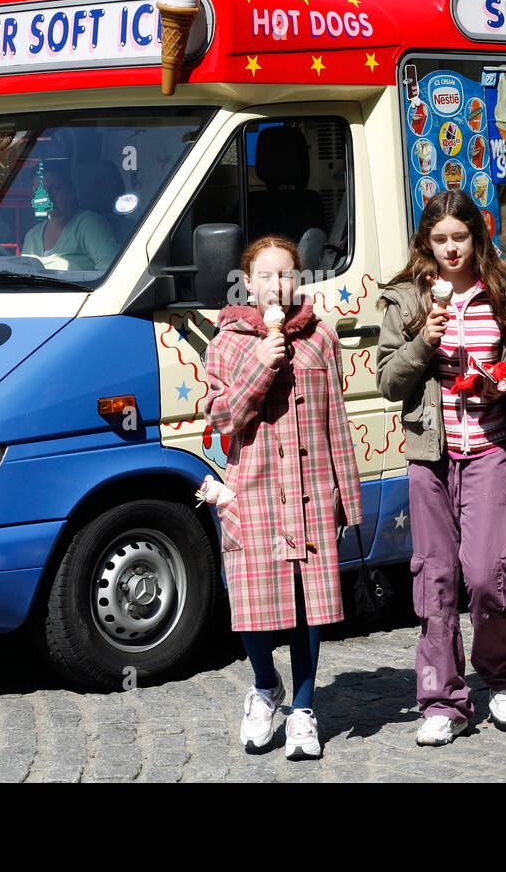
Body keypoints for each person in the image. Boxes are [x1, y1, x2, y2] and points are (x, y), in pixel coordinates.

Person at [375, 190, 506, 746]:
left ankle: (502, 677)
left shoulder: (503, 294)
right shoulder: (406, 301)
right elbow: (387, 383)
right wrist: (423, 343)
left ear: (478, 237)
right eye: (440, 238)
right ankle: (442, 701)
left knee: (486, 573)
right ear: (426, 241)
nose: (451, 249)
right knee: (437, 579)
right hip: (430, 456)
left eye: (461, 237)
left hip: (490, 451)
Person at [202, 236, 363, 759]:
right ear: (248, 282)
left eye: (288, 275)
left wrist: (347, 500)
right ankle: (264, 684)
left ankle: (302, 709)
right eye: (266, 276)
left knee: (307, 609)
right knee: (252, 606)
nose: (277, 286)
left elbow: (335, 422)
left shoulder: (321, 339)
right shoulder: (225, 342)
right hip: (252, 493)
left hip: (311, 493)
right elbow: (222, 420)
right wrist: (259, 363)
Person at [21, 158, 119, 271]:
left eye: (56, 189)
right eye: (40, 190)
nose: (48, 196)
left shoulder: (88, 223)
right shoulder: (32, 236)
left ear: (71, 190)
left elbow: (110, 269)